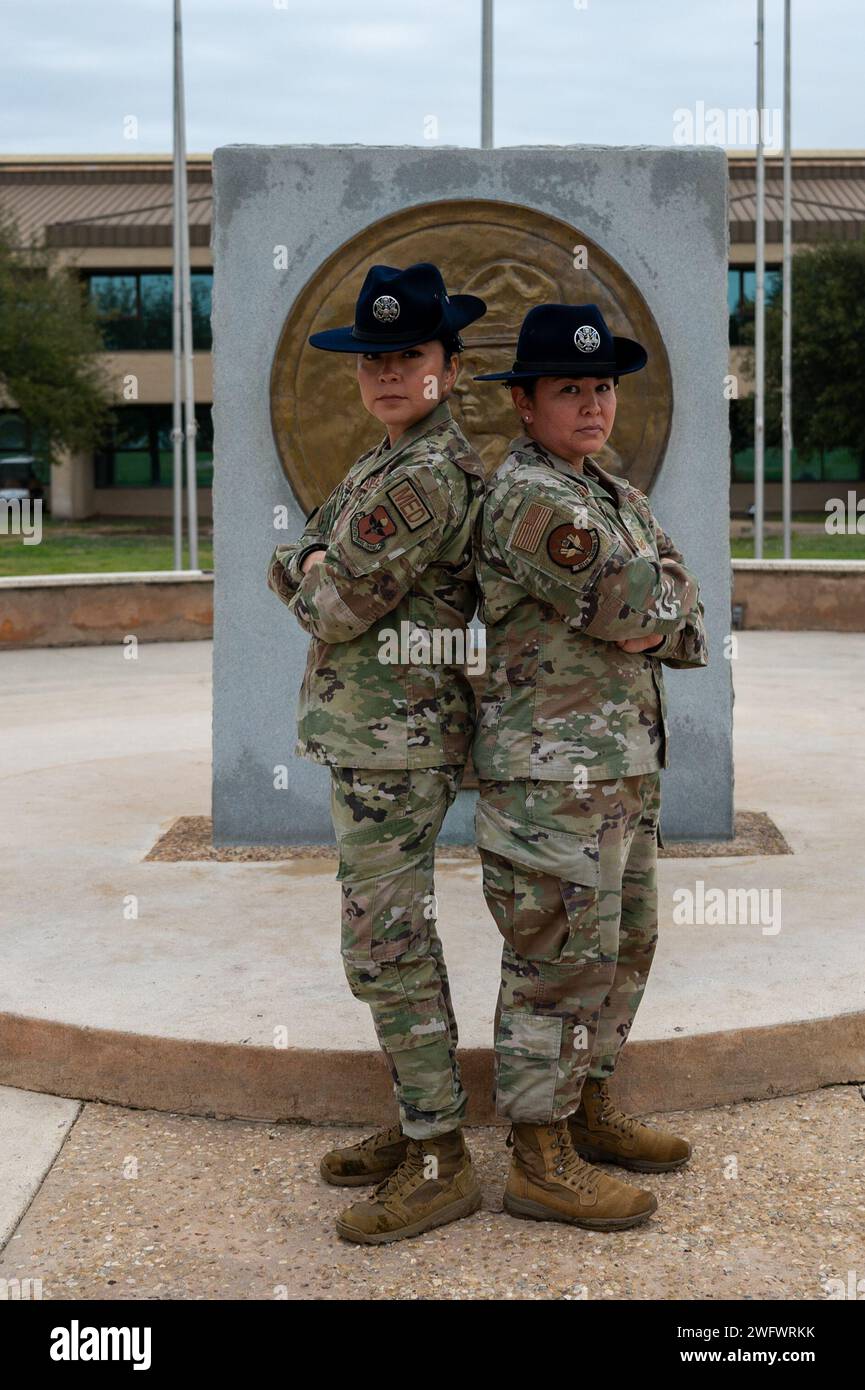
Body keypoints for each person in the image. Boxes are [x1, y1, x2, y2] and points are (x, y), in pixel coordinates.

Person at [471, 302, 708, 1230]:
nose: (592, 404)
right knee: (556, 963)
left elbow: (682, 613)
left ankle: (586, 1109)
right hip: (549, 782)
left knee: (623, 948)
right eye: (569, 388)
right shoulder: (526, 498)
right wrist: (653, 603)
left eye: (602, 386)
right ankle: (538, 1160)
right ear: (524, 403)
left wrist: (659, 604)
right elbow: (629, 599)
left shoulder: (613, 494)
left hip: (622, 770)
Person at [266, 262, 488, 1245]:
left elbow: (332, 599)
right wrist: (312, 561)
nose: (389, 372)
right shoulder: (384, 462)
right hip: (373, 736)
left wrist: (310, 564)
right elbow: (311, 559)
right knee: (393, 941)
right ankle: (420, 1118)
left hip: (398, 741)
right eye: (373, 358)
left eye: (410, 355)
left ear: (450, 366)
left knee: (383, 944)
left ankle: (440, 1157)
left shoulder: (426, 475)